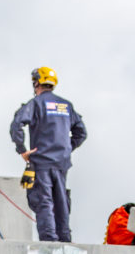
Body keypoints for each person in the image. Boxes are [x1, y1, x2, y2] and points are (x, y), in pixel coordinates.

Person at [9, 67, 88, 242]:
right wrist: (66, 148)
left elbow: (16, 125)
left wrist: (22, 150)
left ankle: (49, 241)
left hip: (41, 162)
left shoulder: (35, 104)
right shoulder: (66, 106)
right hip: (61, 163)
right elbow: (81, 133)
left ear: (37, 82)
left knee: (44, 200)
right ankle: (64, 239)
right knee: (61, 202)